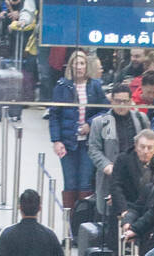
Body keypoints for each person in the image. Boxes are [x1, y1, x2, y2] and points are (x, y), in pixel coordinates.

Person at [49, 49, 105, 208]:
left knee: (85, 182)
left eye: (82, 63)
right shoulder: (61, 86)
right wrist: (56, 140)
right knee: (70, 182)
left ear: (86, 66)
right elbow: (54, 115)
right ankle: (70, 220)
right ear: (70, 66)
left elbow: (104, 109)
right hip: (68, 143)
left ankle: (82, 218)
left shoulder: (95, 86)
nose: (79, 67)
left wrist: (90, 123)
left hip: (88, 143)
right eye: (76, 63)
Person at [88, 84, 149, 215]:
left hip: (136, 178)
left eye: (125, 101)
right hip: (111, 178)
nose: (122, 105)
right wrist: (106, 165)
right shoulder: (102, 122)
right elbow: (94, 149)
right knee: (111, 218)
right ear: (111, 101)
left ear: (131, 101)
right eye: (118, 101)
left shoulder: (141, 119)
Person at [112, 128, 154, 226]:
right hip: (127, 208)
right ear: (136, 146)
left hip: (148, 213)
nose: (146, 151)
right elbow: (116, 186)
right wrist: (123, 210)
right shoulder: (123, 160)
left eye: (150, 148)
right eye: (142, 147)